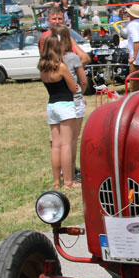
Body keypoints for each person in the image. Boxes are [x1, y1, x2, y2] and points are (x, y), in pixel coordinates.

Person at [38, 25, 80, 190]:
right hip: (65, 105)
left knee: (55, 145)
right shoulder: (61, 67)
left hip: (52, 106)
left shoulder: (42, 69)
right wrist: (76, 87)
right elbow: (73, 87)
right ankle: (68, 181)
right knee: (66, 144)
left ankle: (56, 181)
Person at [62, 31, 88, 182]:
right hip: (72, 101)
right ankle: (69, 175)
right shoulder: (72, 58)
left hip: (54, 103)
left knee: (58, 143)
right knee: (70, 141)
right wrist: (80, 92)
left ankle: (60, 176)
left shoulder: (49, 60)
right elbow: (81, 83)